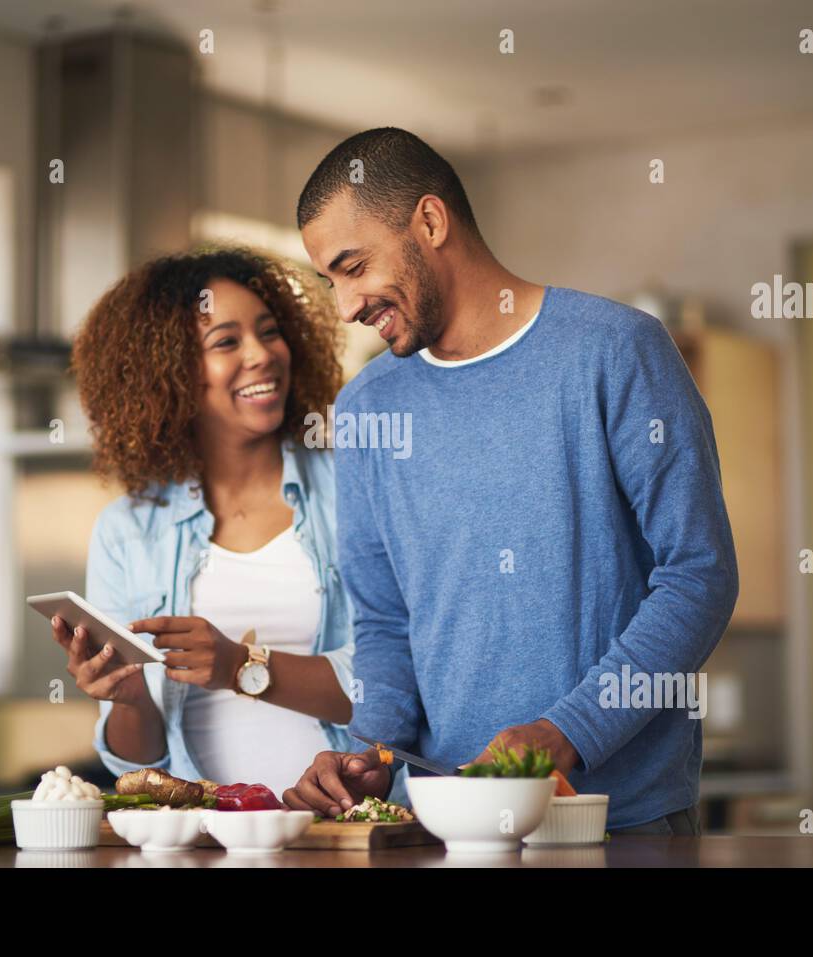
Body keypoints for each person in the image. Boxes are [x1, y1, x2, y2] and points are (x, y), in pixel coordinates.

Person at [282, 128, 738, 835]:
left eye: (354, 266)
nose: (345, 306)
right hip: (441, 821)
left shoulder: (615, 351)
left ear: (430, 222)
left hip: (617, 820)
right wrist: (368, 748)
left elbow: (698, 575)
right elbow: (384, 620)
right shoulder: (367, 408)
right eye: (329, 281)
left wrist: (568, 731)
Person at [51, 247, 356, 798]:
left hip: (346, 828)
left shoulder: (355, 489)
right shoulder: (128, 532)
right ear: (167, 374)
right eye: (227, 342)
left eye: (269, 332)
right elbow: (137, 766)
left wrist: (241, 666)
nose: (262, 355)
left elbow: (393, 687)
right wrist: (125, 696)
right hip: (206, 838)